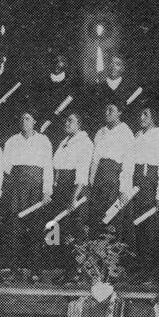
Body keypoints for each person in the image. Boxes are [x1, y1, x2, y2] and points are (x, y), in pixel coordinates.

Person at [0, 111, 53, 267]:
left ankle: (35, 268)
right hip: (17, 188)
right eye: (22, 118)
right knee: (15, 226)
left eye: (28, 119)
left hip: (36, 189)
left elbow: (48, 167)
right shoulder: (12, 141)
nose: (24, 121)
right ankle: (14, 268)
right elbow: (6, 166)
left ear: (34, 121)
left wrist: (46, 191)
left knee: (36, 226)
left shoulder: (43, 140)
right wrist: (19, 178)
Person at [126, 105, 159, 282]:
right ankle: (141, 269)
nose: (142, 117)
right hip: (137, 182)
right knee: (137, 226)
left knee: (150, 227)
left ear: (153, 117)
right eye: (140, 113)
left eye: (146, 113)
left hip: (150, 181)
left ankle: (152, 272)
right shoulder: (137, 136)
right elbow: (129, 162)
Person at [48, 112, 92, 265]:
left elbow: (82, 172)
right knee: (61, 229)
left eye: (70, 120)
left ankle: (75, 272)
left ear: (79, 124)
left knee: (74, 231)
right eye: (66, 120)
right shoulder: (64, 142)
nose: (66, 123)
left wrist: (74, 197)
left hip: (75, 189)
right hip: (61, 188)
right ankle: (64, 268)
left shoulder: (85, 142)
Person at [88, 103, 135, 238]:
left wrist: (124, 189)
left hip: (114, 181)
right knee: (96, 219)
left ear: (119, 112)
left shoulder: (126, 133)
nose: (107, 112)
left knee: (111, 220)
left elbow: (128, 164)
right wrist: (92, 181)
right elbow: (95, 160)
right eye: (106, 109)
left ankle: (111, 257)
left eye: (111, 110)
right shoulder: (100, 132)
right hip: (98, 181)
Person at [36, 51, 81, 147]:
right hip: (42, 128)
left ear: (67, 64)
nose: (58, 64)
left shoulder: (71, 85)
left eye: (62, 61)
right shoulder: (42, 83)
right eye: (55, 60)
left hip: (62, 130)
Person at [93, 52, 144, 132]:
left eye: (117, 64)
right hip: (103, 133)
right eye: (111, 63)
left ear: (123, 68)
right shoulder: (98, 88)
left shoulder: (130, 89)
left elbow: (134, 115)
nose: (113, 67)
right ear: (107, 66)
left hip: (123, 134)